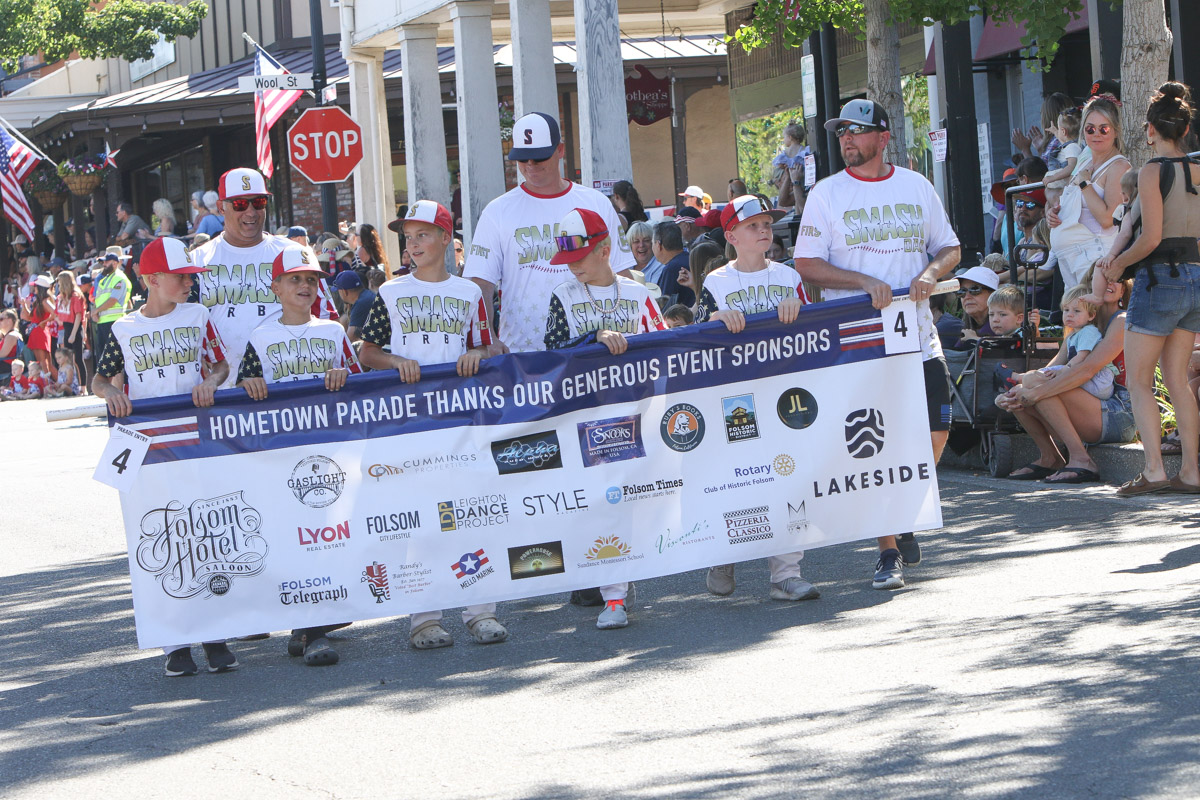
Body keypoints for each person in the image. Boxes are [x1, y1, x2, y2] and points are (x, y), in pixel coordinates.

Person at [794, 98, 961, 589]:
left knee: (937, 428)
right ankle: (888, 551)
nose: (846, 138)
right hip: (860, 338)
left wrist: (930, 273)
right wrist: (863, 281)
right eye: (841, 131)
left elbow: (949, 246)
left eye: (856, 130)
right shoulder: (826, 194)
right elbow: (807, 262)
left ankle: (904, 510)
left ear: (883, 137)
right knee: (877, 443)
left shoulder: (916, 185)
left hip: (916, 330)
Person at [359, 200, 510, 647]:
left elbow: (488, 348)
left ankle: (480, 612)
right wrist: (396, 360)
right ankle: (424, 618)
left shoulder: (469, 295)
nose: (413, 244)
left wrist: (476, 354)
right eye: (408, 237)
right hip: (410, 425)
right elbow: (367, 353)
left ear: (447, 239)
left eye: (423, 234)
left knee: (471, 516)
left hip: (460, 423)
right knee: (420, 521)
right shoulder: (391, 291)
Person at [91, 236, 237, 676]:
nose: (190, 284)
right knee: (159, 537)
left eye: (191, 277)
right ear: (153, 280)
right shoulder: (124, 328)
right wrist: (112, 392)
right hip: (149, 446)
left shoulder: (199, 316)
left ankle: (214, 635)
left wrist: (211, 381)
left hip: (196, 440)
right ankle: (173, 643)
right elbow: (99, 379)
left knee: (206, 530)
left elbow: (219, 364)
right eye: (182, 277)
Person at [236, 245, 362, 666]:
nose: (305, 286)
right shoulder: (261, 336)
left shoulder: (332, 331)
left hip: (327, 452)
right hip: (281, 453)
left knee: (325, 536)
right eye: (295, 279)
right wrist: (249, 386)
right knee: (294, 539)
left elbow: (361, 385)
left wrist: (345, 376)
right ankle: (307, 626)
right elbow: (242, 391)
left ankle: (311, 628)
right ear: (275, 287)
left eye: (311, 280)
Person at [543, 207, 667, 628]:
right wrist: (593, 337)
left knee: (638, 501)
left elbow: (664, 345)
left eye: (578, 256)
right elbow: (553, 352)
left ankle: (630, 577)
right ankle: (613, 596)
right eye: (566, 258)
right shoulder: (562, 295)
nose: (571, 266)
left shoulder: (639, 294)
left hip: (641, 413)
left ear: (604, 248)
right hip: (591, 419)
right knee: (604, 504)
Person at [696, 196, 819, 602]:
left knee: (787, 476)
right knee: (737, 478)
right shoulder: (716, 281)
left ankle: (786, 572)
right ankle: (725, 553)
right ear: (731, 235)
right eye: (753, 225)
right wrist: (714, 321)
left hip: (783, 394)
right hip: (735, 399)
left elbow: (813, 329)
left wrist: (797, 306)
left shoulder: (788, 276)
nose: (764, 230)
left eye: (767, 223)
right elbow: (695, 338)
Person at [1096, 81, 1200, 495]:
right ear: (1185, 130)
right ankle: (1192, 470)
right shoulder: (1197, 169)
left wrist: (1118, 265)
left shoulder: (1154, 171)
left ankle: (1155, 469)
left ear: (1151, 130)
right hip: (1195, 275)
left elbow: (1151, 237)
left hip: (1160, 279)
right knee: (1176, 378)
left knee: (1139, 380)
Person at [463, 111, 634, 359]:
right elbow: (480, 286)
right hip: (523, 353)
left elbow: (622, 274)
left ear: (560, 150)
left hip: (592, 348)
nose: (531, 165)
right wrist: (486, 339)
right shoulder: (497, 211)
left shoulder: (595, 202)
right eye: (523, 159)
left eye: (539, 157)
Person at [190, 167, 338, 389]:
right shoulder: (197, 260)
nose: (251, 212)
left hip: (290, 388)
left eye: (258, 202)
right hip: (221, 395)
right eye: (240, 204)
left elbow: (326, 318)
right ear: (221, 207)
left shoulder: (294, 253)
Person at [998, 264, 1134, 483]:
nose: (1109, 284)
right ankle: (1050, 457)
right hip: (1091, 402)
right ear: (1090, 286)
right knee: (1022, 392)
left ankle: (1082, 460)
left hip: (1119, 411)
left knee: (1042, 392)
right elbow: (1051, 367)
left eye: (1116, 279)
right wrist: (1016, 391)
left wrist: (1037, 390)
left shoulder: (1121, 320)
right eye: (1102, 278)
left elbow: (1087, 370)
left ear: (1124, 289)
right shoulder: (1080, 322)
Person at [1046, 95, 1131, 289]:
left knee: (1096, 315)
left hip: (1096, 259)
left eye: (1104, 129)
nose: (1096, 134)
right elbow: (1069, 202)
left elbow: (1107, 219)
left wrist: (1085, 184)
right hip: (1070, 259)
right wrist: (1053, 214)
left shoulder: (1118, 166)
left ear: (1116, 131)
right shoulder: (1084, 161)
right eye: (1090, 129)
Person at [1011, 286, 1115, 400]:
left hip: (1098, 381)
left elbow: (1081, 357)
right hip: (1082, 376)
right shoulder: (1073, 335)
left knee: (1037, 379)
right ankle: (1021, 382)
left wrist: (1062, 371)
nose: (1069, 314)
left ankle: (1019, 379)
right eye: (1066, 310)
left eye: (1076, 311)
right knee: (1036, 378)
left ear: (1091, 315)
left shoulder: (1089, 331)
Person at [92, 247, 133, 358]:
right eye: (103, 262)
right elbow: (99, 299)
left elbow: (113, 300)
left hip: (114, 322)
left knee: (113, 359)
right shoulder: (105, 279)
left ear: (115, 263)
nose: (104, 264)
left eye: (106, 261)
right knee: (104, 358)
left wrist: (95, 311)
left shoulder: (119, 278)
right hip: (103, 321)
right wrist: (95, 312)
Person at [1041, 108, 1085, 206]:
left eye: (1059, 128)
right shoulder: (1074, 144)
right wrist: (1056, 132)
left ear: (1064, 131)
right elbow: (1063, 141)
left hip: (1061, 182)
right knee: (1048, 206)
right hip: (1059, 182)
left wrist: (1053, 177)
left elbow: (1071, 167)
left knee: (1050, 205)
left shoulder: (1072, 147)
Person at [951, 265, 1000, 348]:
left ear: (992, 294)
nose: (967, 296)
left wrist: (974, 339)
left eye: (974, 289)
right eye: (961, 291)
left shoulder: (1003, 323)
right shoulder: (967, 328)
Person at [21, 274, 57, 381]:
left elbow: (55, 313)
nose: (34, 288)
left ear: (41, 288)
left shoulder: (45, 301)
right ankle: (51, 385)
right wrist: (24, 306)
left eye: (36, 286)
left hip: (41, 332)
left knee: (45, 363)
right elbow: (30, 318)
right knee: (44, 363)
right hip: (36, 332)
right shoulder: (39, 302)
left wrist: (44, 322)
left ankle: (50, 385)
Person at [54, 271, 86, 389]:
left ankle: (83, 387)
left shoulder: (76, 296)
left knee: (78, 359)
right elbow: (56, 314)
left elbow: (78, 315)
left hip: (75, 329)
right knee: (67, 360)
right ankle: (72, 385)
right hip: (66, 328)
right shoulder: (61, 297)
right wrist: (59, 320)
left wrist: (73, 334)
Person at [652, 221, 694, 308]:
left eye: (652, 243)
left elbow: (664, 306)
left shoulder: (671, 269)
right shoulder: (691, 258)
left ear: (658, 245)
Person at [772, 121, 810, 213]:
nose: (784, 140)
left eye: (784, 137)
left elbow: (779, 164)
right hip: (803, 180)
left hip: (796, 180)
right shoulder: (805, 150)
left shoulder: (785, 154)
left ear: (790, 137)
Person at [331, 270, 375, 343]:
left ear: (344, 291)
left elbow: (350, 338)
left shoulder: (361, 303)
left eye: (338, 290)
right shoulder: (366, 295)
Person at [626, 221, 663, 287]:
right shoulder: (625, 266)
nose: (641, 245)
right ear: (630, 245)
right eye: (636, 241)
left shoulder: (660, 266)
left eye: (646, 240)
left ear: (653, 243)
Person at [0, 309, 22, 381]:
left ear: (9, 321)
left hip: (7, 365)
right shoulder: (8, 335)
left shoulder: (11, 336)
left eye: (1, 319)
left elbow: (2, 355)